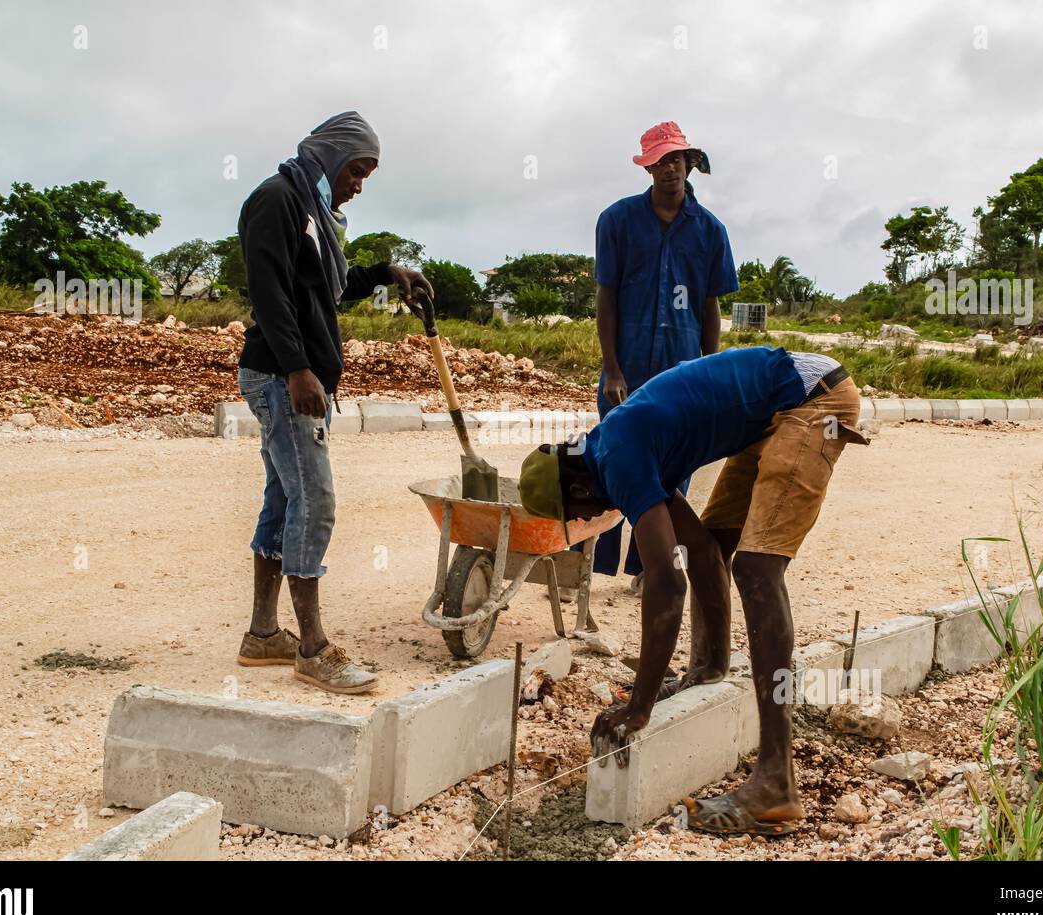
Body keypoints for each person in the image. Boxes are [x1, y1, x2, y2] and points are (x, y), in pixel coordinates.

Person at [518, 345, 868, 835]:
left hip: (812, 401)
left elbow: (666, 579)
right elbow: (699, 552)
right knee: (720, 539)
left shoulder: (618, 458)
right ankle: (709, 664)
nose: (584, 521)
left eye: (576, 514)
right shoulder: (615, 445)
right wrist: (689, 674)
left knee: (757, 567)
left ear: (578, 489)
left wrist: (639, 706)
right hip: (776, 407)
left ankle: (775, 784)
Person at [233, 111, 432, 694]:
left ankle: (264, 634)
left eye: (367, 174)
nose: (359, 183)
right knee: (315, 501)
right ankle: (314, 649)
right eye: (357, 169)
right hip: (278, 375)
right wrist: (298, 369)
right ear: (333, 156)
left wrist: (386, 272)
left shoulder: (313, 213)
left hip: (288, 374)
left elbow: (327, 289)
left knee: (284, 499)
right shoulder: (276, 201)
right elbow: (269, 293)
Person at [590, 121, 738, 582]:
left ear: (689, 163)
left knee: (672, 468)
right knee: (614, 458)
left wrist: (709, 373)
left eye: (675, 158)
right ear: (647, 167)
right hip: (627, 368)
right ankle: (598, 567)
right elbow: (606, 297)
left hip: (682, 370)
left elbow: (709, 308)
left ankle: (647, 568)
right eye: (658, 161)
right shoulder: (617, 221)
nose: (667, 168)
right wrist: (612, 368)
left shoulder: (710, 231)